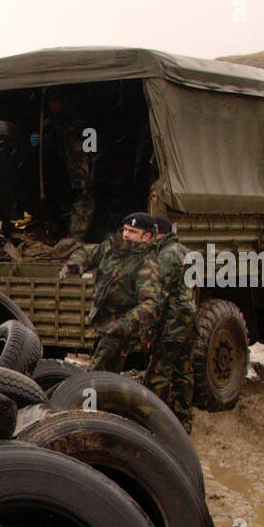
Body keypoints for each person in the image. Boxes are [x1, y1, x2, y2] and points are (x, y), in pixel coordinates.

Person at [59, 212, 162, 372]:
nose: (126, 235)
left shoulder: (146, 264)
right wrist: (75, 263)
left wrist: (125, 323)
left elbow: (150, 303)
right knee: (106, 377)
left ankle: (92, 396)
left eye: (132, 232)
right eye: (125, 230)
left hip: (118, 332)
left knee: (96, 376)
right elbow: (88, 252)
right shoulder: (112, 248)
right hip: (102, 324)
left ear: (146, 237)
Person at [143, 214, 197, 432]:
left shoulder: (164, 256)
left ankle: (151, 426)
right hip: (189, 319)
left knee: (158, 374)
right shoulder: (184, 251)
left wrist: (147, 329)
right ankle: (183, 422)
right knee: (183, 373)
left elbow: (157, 296)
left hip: (172, 322)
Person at [44, 90, 97, 240]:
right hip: (69, 172)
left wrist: (53, 127)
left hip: (82, 173)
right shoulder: (60, 121)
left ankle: (75, 239)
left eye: (53, 102)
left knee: (84, 201)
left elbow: (88, 144)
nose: (51, 106)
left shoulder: (78, 120)